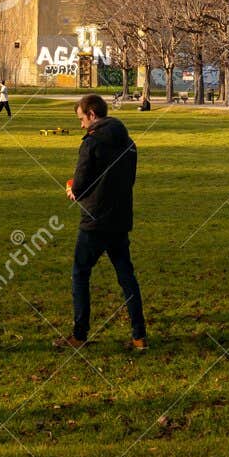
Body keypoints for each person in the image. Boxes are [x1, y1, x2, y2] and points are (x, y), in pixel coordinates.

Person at [57, 93, 146, 351]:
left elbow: (81, 183)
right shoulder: (128, 142)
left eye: (81, 119)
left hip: (95, 221)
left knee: (80, 274)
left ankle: (79, 333)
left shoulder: (91, 143)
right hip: (120, 218)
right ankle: (139, 335)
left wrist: (73, 190)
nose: (81, 125)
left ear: (92, 115)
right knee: (126, 276)